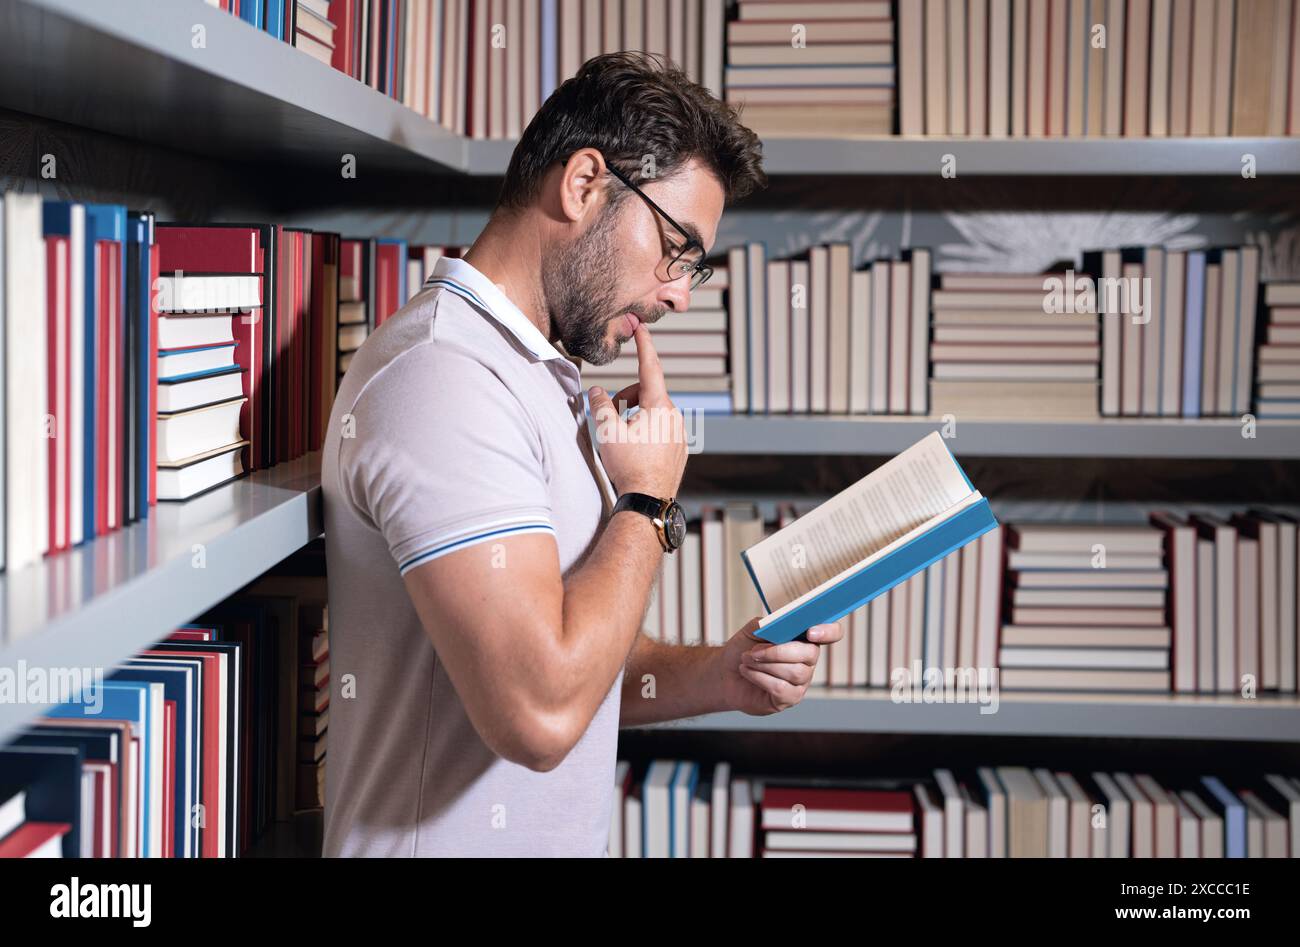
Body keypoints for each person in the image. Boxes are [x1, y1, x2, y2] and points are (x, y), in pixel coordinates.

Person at [320, 51, 842, 857]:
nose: (679, 294)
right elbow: (540, 711)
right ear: (584, 183)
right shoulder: (445, 377)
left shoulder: (533, 373)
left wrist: (724, 674)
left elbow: (568, 651)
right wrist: (646, 504)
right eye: (676, 247)